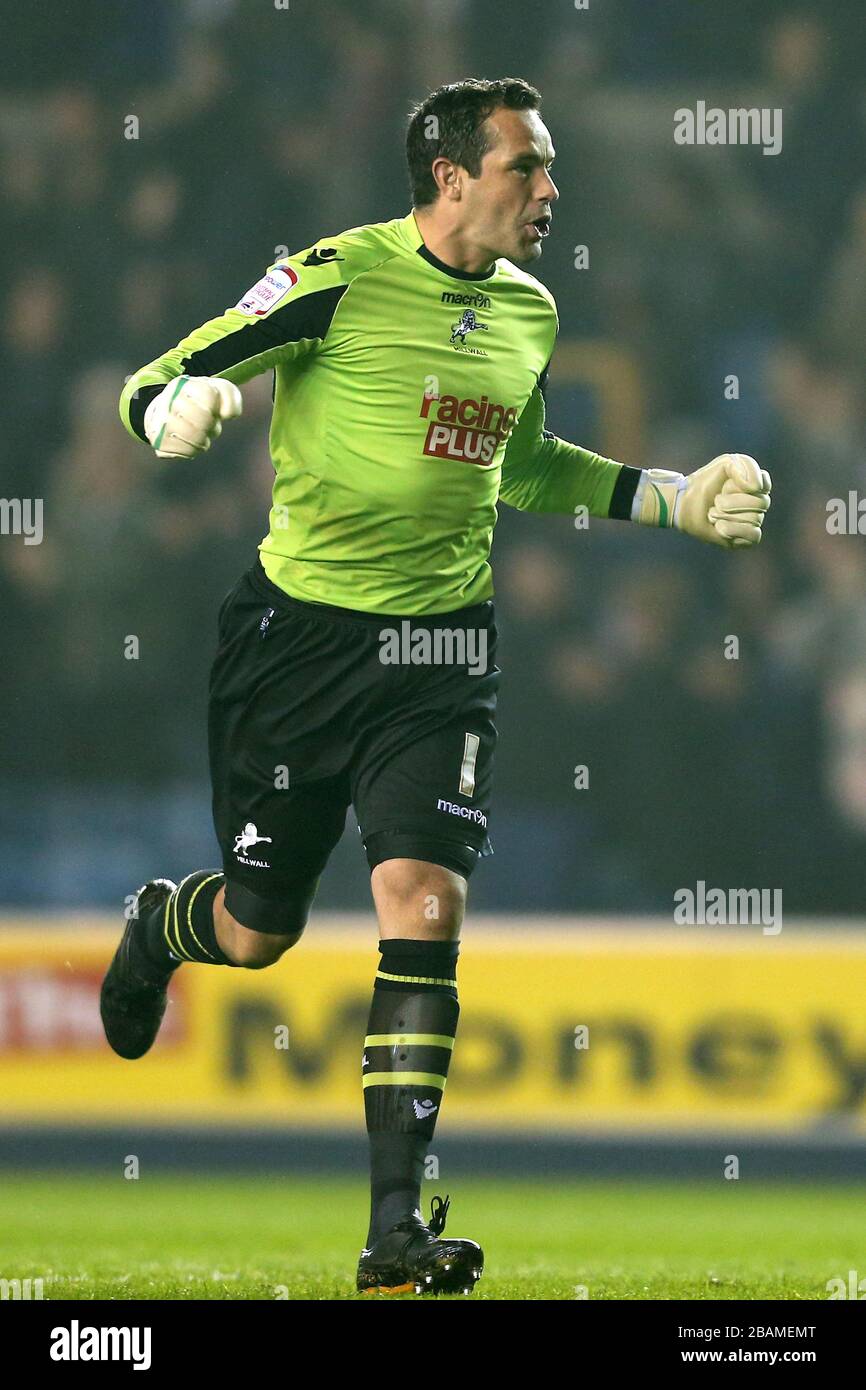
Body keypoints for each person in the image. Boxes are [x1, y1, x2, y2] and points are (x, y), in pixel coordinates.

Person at [100, 76, 771, 1296]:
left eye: (548, 168)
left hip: (439, 653)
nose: (549, 191)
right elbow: (160, 377)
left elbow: (522, 469)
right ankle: (164, 925)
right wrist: (175, 411)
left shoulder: (528, 311)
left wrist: (665, 496)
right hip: (294, 647)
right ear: (450, 177)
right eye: (526, 167)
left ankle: (391, 1236)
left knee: (421, 903)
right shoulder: (332, 276)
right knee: (260, 929)